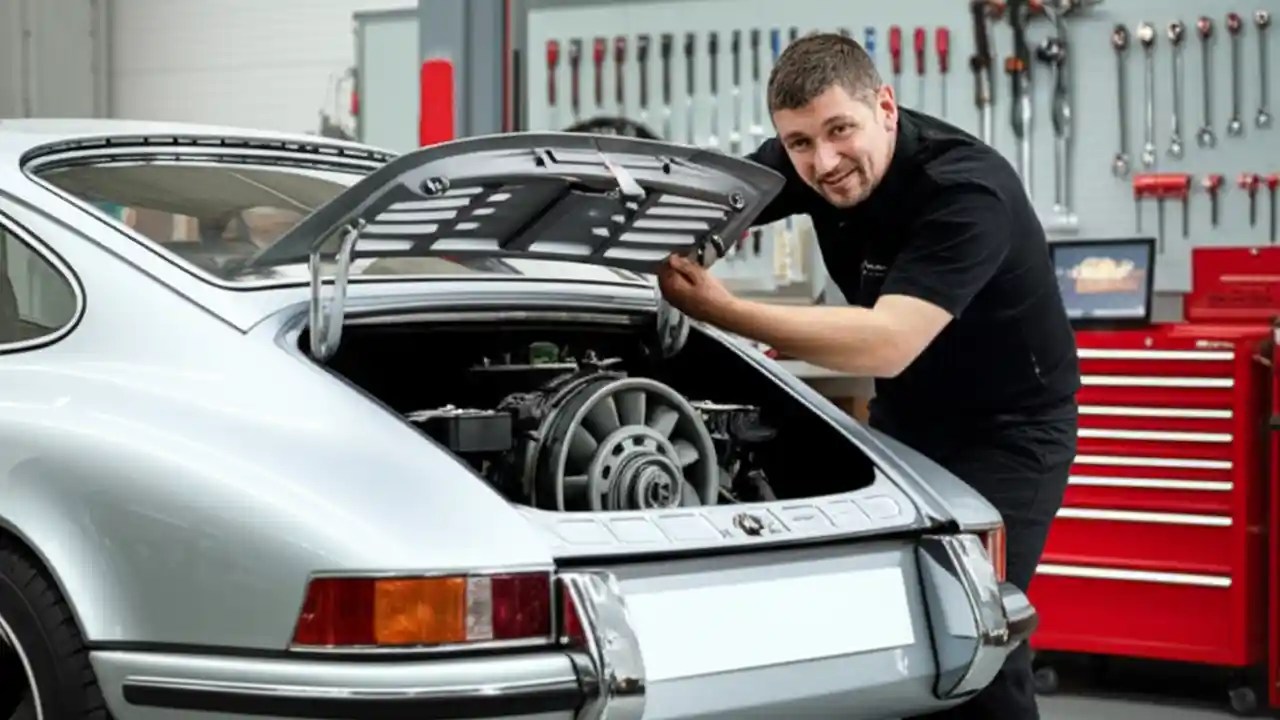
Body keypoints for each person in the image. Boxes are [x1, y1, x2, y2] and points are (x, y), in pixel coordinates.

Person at [655, 32, 1080, 720]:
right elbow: (715, 206)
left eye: (839, 131)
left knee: (976, 626)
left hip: (1011, 430)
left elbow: (887, 344)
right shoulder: (804, 158)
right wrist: (666, 243)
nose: (823, 163)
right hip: (910, 419)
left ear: (885, 106)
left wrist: (723, 310)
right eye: (798, 143)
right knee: (899, 628)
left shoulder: (966, 191)